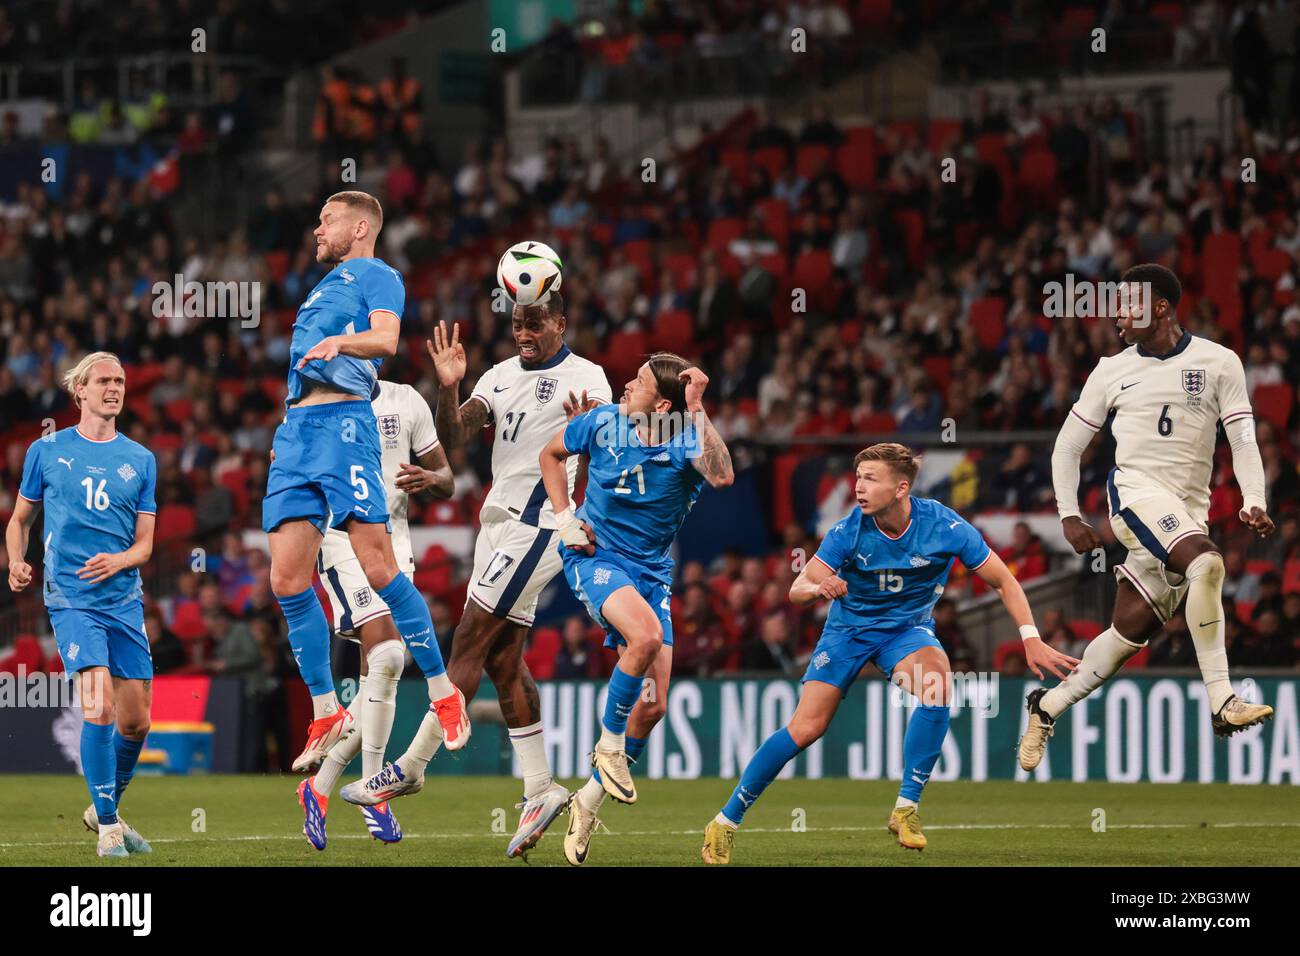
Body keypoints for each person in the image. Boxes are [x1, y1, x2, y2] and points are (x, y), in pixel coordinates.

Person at [701, 443, 1073, 864]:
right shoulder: (848, 531)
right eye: (857, 477)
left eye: (869, 478)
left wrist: (1030, 637)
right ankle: (725, 822)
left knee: (937, 686)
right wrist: (819, 587)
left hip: (906, 631)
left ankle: (906, 808)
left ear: (900, 488)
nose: (858, 487)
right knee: (806, 729)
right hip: (847, 632)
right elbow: (797, 589)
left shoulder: (944, 527)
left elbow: (1004, 581)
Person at [343, 293, 610, 860]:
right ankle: (539, 787)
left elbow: (601, 440)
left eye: (535, 321)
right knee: (501, 658)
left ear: (561, 321)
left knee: (467, 638)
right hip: (497, 522)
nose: (524, 331)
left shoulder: (587, 376)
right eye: (517, 322)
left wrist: (587, 429)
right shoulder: (499, 375)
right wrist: (448, 386)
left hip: (540, 525)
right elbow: (455, 439)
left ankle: (410, 768)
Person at [1021, 264, 1275, 773]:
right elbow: (1068, 447)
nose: (1118, 311)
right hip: (1135, 495)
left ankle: (1045, 707)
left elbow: (1243, 438)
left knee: (1124, 637)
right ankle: (1223, 701)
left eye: (1128, 301)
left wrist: (1254, 498)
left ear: (1160, 305)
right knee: (1208, 566)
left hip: (1186, 514)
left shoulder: (1220, 362)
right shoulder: (1110, 370)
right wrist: (1068, 513)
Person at [262, 190, 467, 776]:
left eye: (325, 220)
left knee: (379, 566)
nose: (316, 229)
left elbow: (385, 341)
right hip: (298, 429)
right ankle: (327, 711)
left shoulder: (378, 274)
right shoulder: (320, 289)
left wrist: (340, 343)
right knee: (285, 576)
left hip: (343, 425)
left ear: (359, 227)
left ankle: (443, 692)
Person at [540, 352, 734, 865]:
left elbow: (721, 475)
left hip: (650, 576)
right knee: (645, 639)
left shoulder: (685, 439)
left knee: (652, 708)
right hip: (594, 556)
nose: (626, 384)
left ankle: (586, 801)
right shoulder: (602, 421)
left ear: (663, 403)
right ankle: (608, 746)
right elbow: (550, 454)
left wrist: (697, 407)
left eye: (640, 381)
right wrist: (564, 520)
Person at [6, 352, 158, 858]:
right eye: (103, 381)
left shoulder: (141, 459)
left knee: (135, 722)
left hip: (123, 600)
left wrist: (120, 561)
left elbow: (145, 545)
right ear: (81, 392)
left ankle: (101, 806)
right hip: (71, 599)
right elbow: (20, 520)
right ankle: (111, 826)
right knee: (98, 705)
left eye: (119, 380)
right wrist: (15, 561)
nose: (114, 388)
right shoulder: (46, 451)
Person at [297, 378, 453, 850]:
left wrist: (431, 480)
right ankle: (376, 794)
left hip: (394, 548)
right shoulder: (316, 402)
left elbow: (447, 477)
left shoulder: (406, 399)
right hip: (340, 541)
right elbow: (285, 466)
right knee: (388, 656)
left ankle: (321, 787)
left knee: (380, 675)